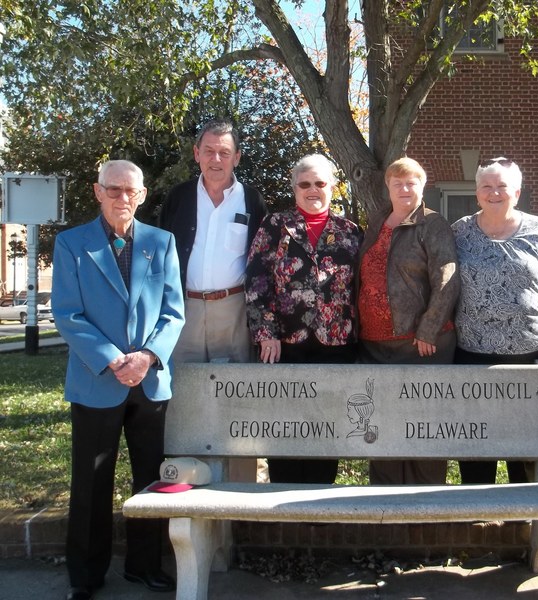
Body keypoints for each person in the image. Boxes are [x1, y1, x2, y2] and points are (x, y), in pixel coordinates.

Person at [51, 160, 185, 600]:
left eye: (130, 191)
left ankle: (144, 566)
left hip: (149, 382)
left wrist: (146, 357)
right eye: (113, 190)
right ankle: (86, 575)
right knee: (92, 479)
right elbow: (68, 314)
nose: (122, 198)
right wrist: (113, 360)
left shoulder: (161, 242)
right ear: (97, 191)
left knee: (150, 477)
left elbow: (173, 312)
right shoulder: (72, 244)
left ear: (142, 195)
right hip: (96, 380)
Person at [452, 157, 538, 485]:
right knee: (476, 442)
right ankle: (478, 515)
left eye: (502, 187)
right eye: (486, 187)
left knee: (526, 443)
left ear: (517, 192)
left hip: (529, 356)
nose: (494, 193)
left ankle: (524, 517)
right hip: (472, 356)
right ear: (477, 193)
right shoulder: (459, 231)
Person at [159, 119, 267, 482]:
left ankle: (240, 489)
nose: (216, 159)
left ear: (236, 156)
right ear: (196, 154)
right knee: (184, 397)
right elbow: (162, 256)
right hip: (185, 309)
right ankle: (186, 481)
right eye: (208, 151)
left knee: (238, 396)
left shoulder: (251, 199)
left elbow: (262, 260)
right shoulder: (179, 197)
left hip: (234, 310)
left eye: (224, 152)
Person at [245, 154, 361, 484]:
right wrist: (265, 331)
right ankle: (281, 506)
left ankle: (318, 508)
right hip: (284, 344)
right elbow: (256, 280)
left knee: (328, 428)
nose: (313, 190)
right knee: (284, 428)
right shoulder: (274, 226)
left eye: (320, 183)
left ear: (333, 187)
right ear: (295, 188)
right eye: (305, 184)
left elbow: (360, 289)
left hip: (336, 346)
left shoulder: (350, 231)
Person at [358, 157, 460, 485]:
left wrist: (429, 328)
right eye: (397, 183)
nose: (404, 188)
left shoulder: (433, 224)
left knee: (423, 429)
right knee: (382, 428)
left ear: (422, 186)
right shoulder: (376, 222)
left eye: (411, 182)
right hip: (375, 345)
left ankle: (424, 510)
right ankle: (385, 511)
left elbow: (447, 277)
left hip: (422, 345)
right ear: (387, 187)